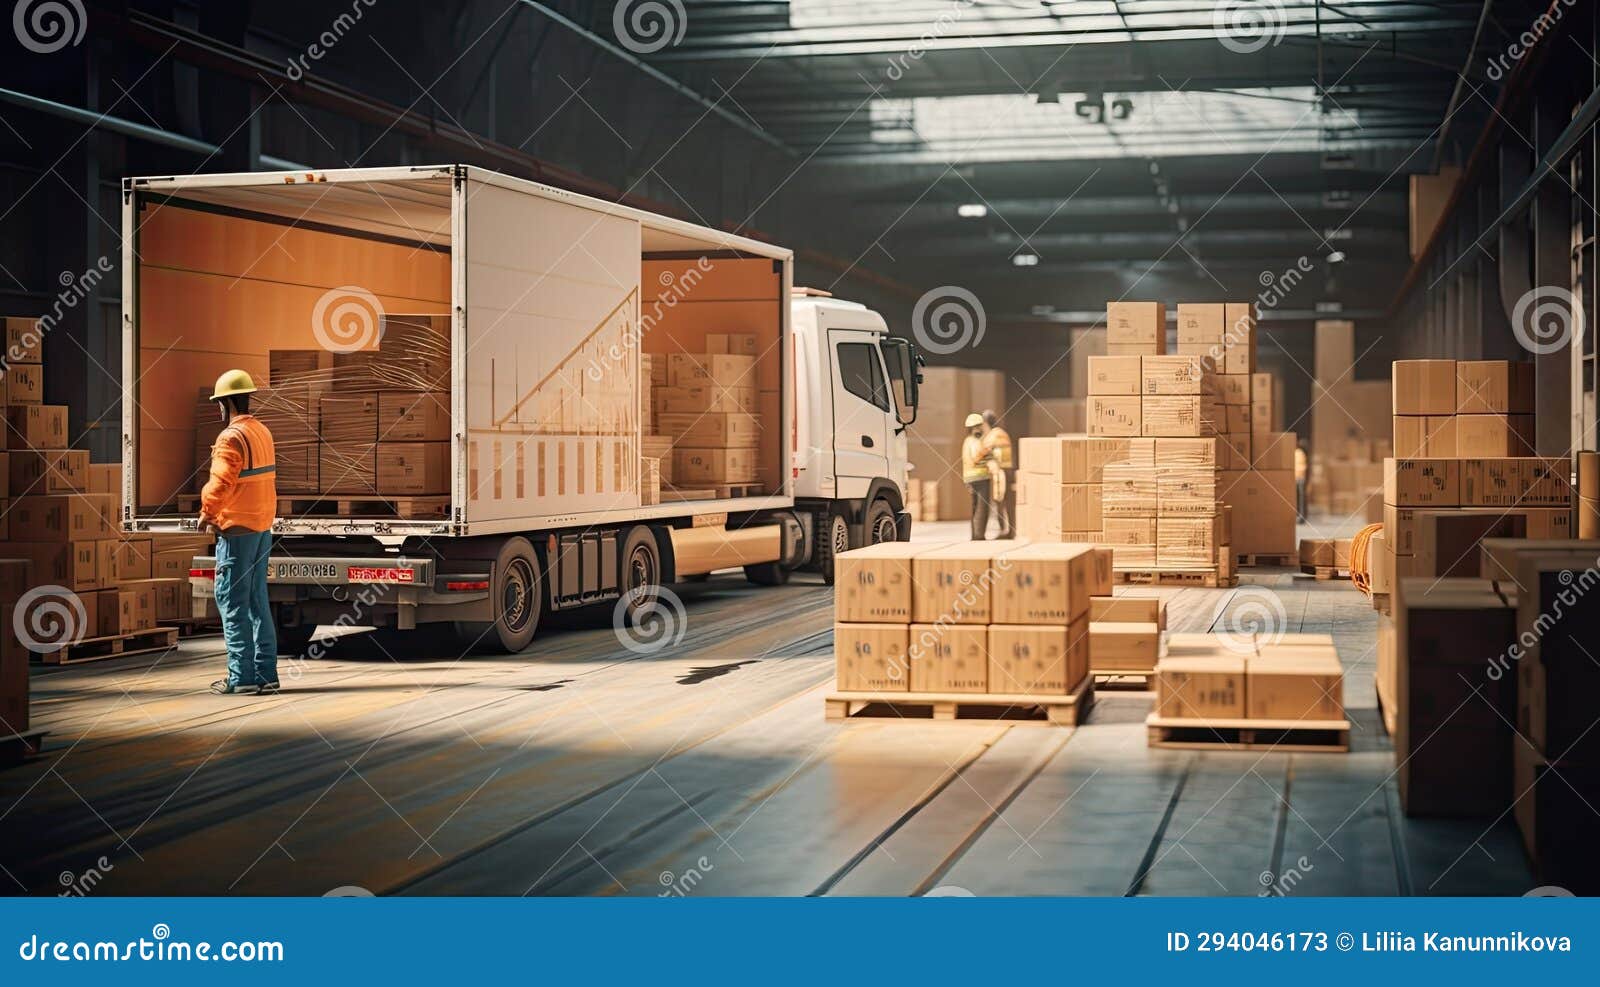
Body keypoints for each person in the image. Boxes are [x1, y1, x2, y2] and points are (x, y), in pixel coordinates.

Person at [199, 369, 280, 696]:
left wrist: (206, 513)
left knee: (231, 600)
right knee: (257, 601)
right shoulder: (262, 431)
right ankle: (265, 674)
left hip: (237, 528)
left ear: (226, 403)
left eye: (219, 403)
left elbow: (220, 481)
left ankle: (241, 677)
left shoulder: (231, 437)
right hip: (262, 525)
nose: (219, 409)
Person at [981, 409, 1014, 539]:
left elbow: (983, 452)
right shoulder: (1001, 433)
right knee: (1003, 502)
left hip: (1001, 472)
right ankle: (1007, 530)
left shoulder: (993, 436)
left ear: (986, 423)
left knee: (1000, 501)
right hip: (1005, 471)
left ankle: (1005, 531)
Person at [960, 412, 993, 540]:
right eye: (977, 426)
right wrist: (990, 456)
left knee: (975, 508)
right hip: (980, 477)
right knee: (982, 508)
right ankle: (979, 536)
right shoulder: (976, 442)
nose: (978, 429)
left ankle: (975, 535)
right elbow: (976, 457)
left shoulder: (967, 441)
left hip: (969, 478)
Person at [1294, 441, 1309, 523]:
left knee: (1301, 498)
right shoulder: (1297, 453)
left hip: (1299, 478)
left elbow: (1301, 467)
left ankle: (1301, 516)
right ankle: (1299, 515)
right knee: (1299, 498)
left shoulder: (1298, 453)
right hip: (1298, 477)